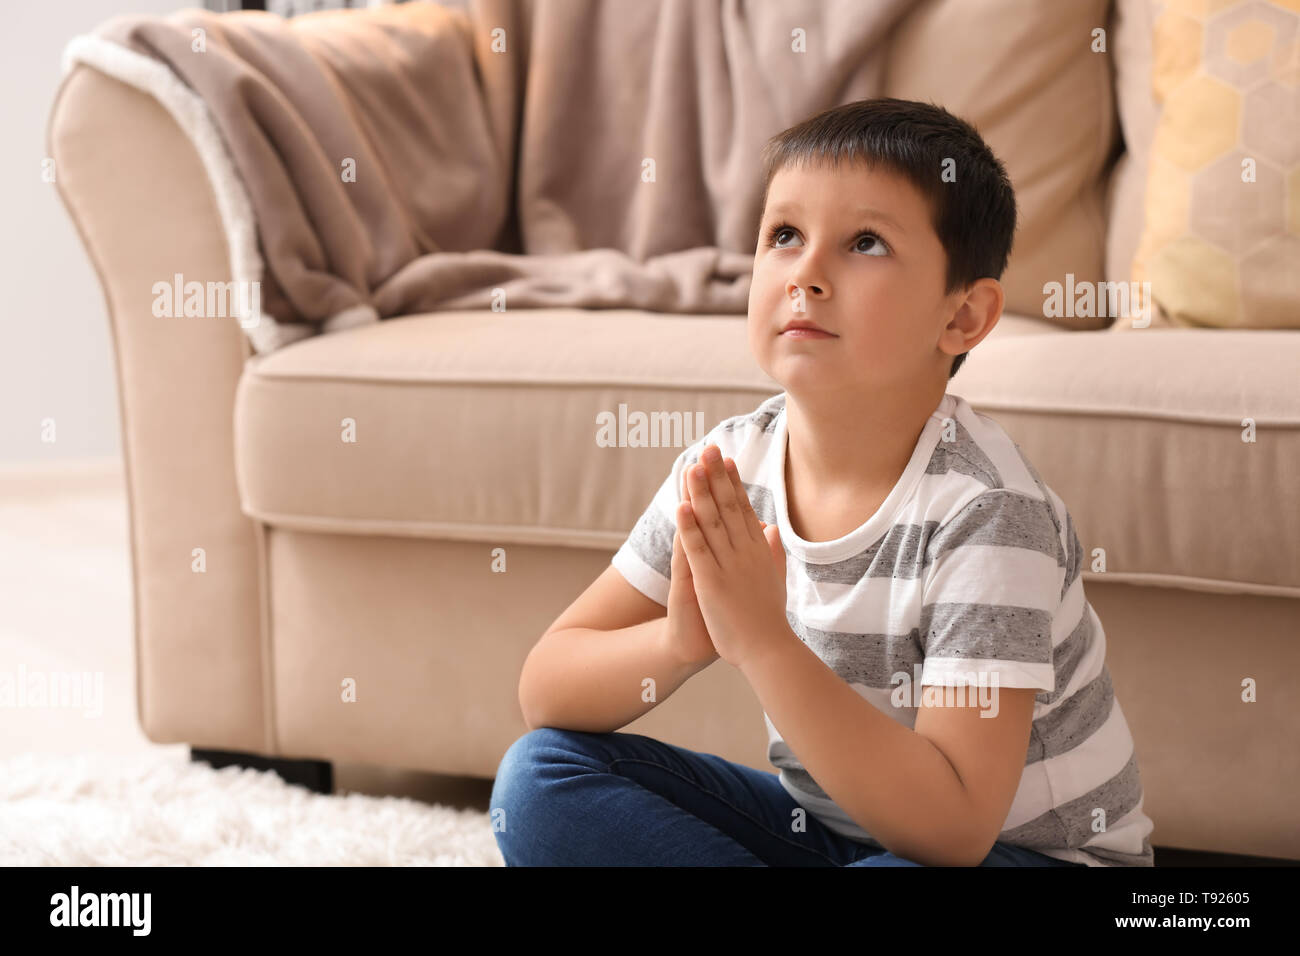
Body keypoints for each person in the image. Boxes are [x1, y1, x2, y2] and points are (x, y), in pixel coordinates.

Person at [492, 98, 1155, 867]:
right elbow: (547, 688)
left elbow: (954, 830)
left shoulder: (987, 512)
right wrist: (682, 640)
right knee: (540, 781)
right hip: (832, 838)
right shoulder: (731, 466)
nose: (806, 273)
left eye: (865, 243)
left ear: (964, 317)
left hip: (1013, 857)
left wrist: (765, 644)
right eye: (784, 236)